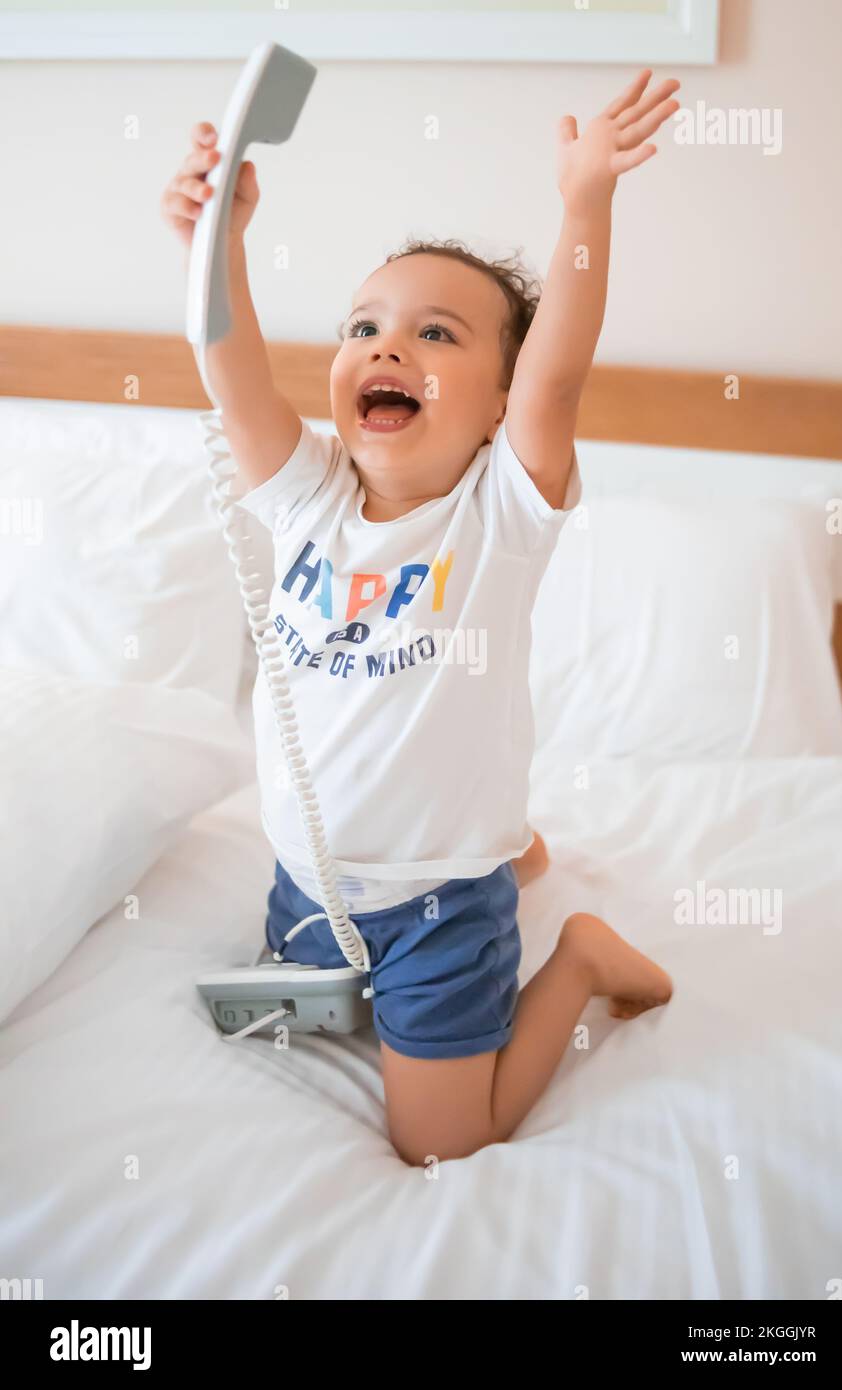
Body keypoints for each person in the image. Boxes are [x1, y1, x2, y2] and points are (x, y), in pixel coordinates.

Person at [161, 69, 677, 1166]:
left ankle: (575, 954)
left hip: (437, 907)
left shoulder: (498, 514)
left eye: (437, 335)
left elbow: (559, 377)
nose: (388, 347)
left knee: (442, 1143)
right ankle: (525, 845)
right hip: (306, 881)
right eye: (365, 325)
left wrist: (585, 202)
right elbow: (227, 367)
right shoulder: (305, 491)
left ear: (498, 402)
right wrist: (220, 242)